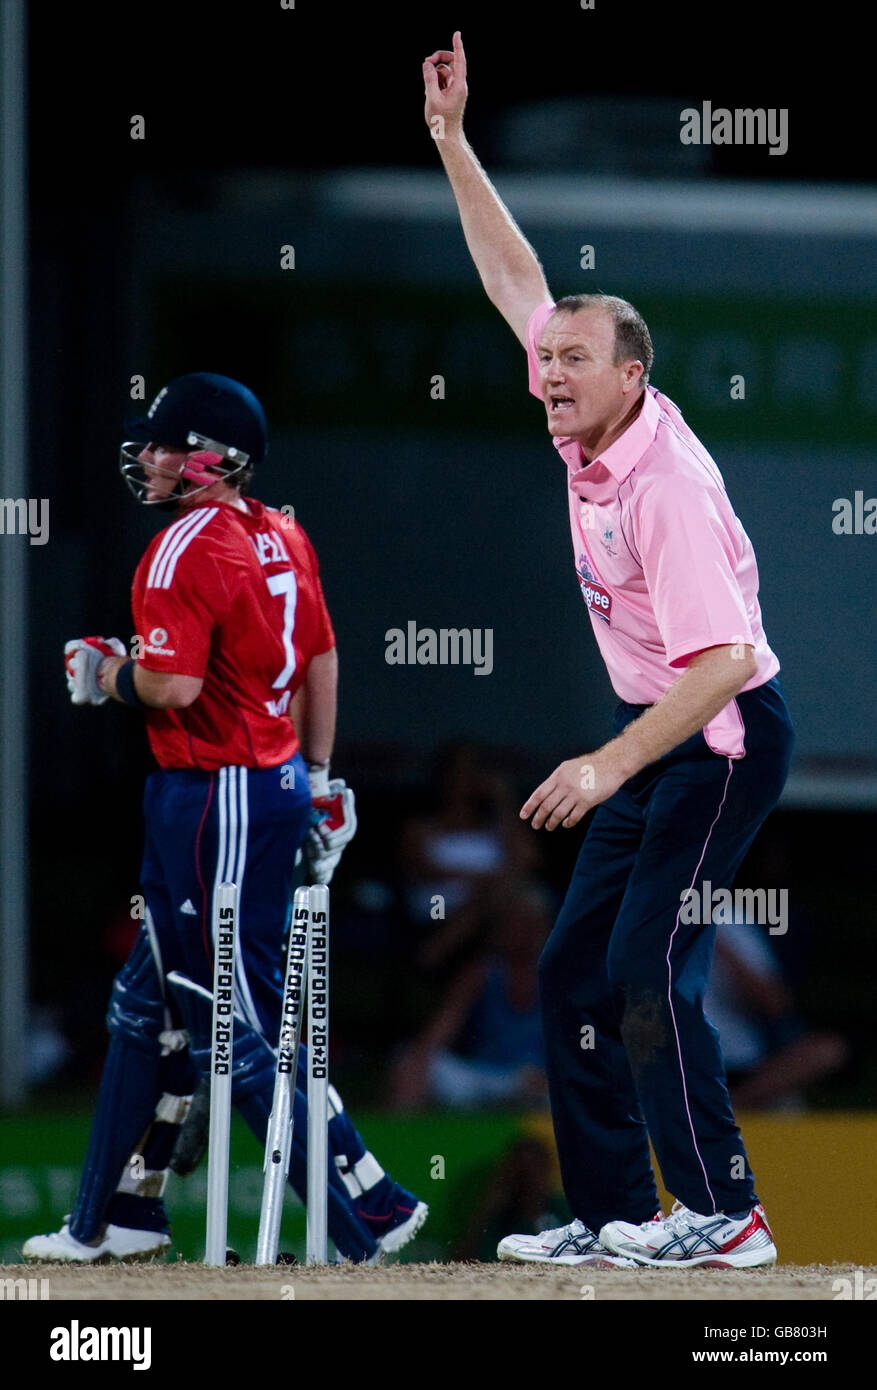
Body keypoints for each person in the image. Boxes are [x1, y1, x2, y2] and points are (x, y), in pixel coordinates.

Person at [423, 35, 794, 1269]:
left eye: (571, 363)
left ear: (630, 376)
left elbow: (728, 662)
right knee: (575, 966)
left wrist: (602, 765)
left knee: (644, 967)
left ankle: (726, 1215)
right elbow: (514, 275)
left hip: (718, 742)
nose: (547, 377)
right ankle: (622, 1214)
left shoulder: (664, 486)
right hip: (659, 741)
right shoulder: (585, 427)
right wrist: (453, 144)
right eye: (544, 361)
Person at [24, 372, 426, 1264]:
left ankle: (361, 1225)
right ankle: (111, 1221)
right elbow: (320, 656)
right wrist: (319, 775)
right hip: (260, 783)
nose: (152, 457)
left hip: (219, 793)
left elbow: (174, 685)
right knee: (144, 1006)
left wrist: (104, 674)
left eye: (168, 444)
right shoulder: (282, 530)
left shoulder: (179, 551)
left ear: (212, 458)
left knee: (228, 1021)